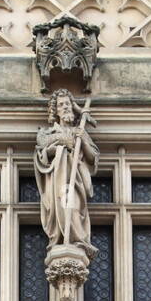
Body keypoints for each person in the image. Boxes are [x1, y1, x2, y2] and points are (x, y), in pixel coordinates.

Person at [34, 88, 98, 255]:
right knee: (61, 206)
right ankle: (61, 239)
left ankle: (78, 240)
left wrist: (83, 140)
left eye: (68, 104)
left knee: (73, 209)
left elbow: (92, 158)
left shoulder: (80, 132)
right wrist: (59, 146)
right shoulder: (47, 133)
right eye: (61, 105)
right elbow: (42, 154)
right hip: (58, 182)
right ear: (55, 111)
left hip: (75, 181)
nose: (66, 107)